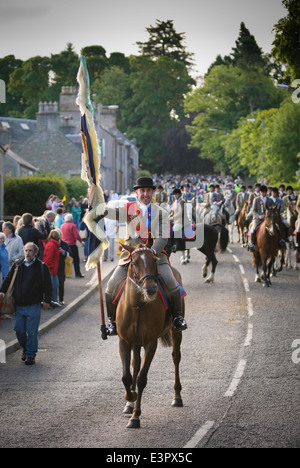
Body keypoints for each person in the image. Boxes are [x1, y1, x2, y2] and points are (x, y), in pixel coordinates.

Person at [104, 176, 187, 336]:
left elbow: (163, 237)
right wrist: (96, 203)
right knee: (111, 286)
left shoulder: (161, 212)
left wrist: (152, 251)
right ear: (137, 192)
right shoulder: (128, 210)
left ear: (153, 192)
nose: (146, 194)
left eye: (149, 190)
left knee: (172, 283)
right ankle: (112, 321)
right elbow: (108, 213)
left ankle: (177, 318)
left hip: (155, 256)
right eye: (142, 191)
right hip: (131, 257)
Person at [0, 242, 52, 365]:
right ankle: (25, 348)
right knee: (18, 330)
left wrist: (47, 300)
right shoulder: (18, 265)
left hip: (33, 305)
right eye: (26, 250)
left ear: (35, 252)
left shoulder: (41, 267)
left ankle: (30, 355)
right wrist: (2, 291)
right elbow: (8, 278)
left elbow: (48, 286)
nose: (27, 253)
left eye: (30, 251)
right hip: (19, 305)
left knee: (32, 332)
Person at [248, 185, 275, 251]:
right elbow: (253, 210)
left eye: (264, 192)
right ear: (260, 192)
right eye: (262, 192)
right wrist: (258, 216)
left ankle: (279, 241)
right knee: (253, 229)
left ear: (266, 192)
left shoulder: (269, 200)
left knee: (275, 227)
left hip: (268, 219)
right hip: (258, 219)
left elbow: (272, 209)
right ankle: (252, 244)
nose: (263, 193)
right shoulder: (256, 199)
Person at [43, 230, 61, 306]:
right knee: (52, 286)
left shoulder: (52, 244)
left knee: (54, 285)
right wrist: (48, 268)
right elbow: (49, 259)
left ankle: (53, 301)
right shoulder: (53, 245)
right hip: (51, 269)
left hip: (53, 269)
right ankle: (51, 301)